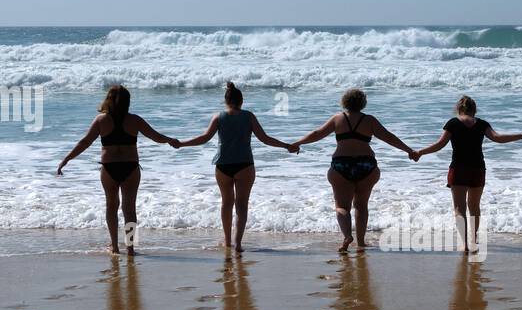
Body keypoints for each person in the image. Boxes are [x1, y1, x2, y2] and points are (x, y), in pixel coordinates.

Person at [288, 88, 416, 252]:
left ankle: (347, 236)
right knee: (361, 206)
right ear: (363, 103)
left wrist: (297, 143)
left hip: (341, 165)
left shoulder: (338, 118)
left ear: (344, 102)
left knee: (342, 206)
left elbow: (317, 133)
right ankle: (361, 242)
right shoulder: (369, 120)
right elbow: (389, 137)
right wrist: (409, 151)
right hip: (366, 165)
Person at [56, 84, 179, 255]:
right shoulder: (134, 120)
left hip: (109, 168)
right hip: (130, 168)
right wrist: (170, 140)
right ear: (128, 102)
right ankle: (130, 248)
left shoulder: (101, 120)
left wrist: (66, 159)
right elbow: (155, 136)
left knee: (111, 206)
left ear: (108, 100)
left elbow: (85, 142)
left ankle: (114, 246)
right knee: (129, 209)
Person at [175, 81, 297, 252]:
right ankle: (238, 243)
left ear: (226, 101)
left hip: (223, 165)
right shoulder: (248, 116)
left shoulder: (218, 117)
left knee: (226, 203)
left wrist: (181, 143)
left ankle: (226, 241)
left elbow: (204, 138)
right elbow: (265, 138)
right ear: (242, 101)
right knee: (241, 205)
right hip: (245, 165)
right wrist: (287, 146)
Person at [413, 95, 522, 253]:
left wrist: (420, 152)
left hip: (458, 169)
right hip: (478, 169)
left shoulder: (453, 123)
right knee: (474, 206)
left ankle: (464, 243)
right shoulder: (482, 124)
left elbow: (440, 144)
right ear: (474, 109)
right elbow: (498, 138)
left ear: (458, 109)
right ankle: (474, 240)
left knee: (459, 208)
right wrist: (521, 135)